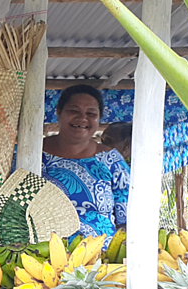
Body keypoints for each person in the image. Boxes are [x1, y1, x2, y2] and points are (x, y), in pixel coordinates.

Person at [41, 84, 130, 240]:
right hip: (42, 256)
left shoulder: (112, 161)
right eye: (74, 111)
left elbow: (127, 221)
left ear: (99, 119)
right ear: (59, 113)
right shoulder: (34, 155)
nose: (82, 118)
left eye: (91, 113)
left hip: (102, 258)